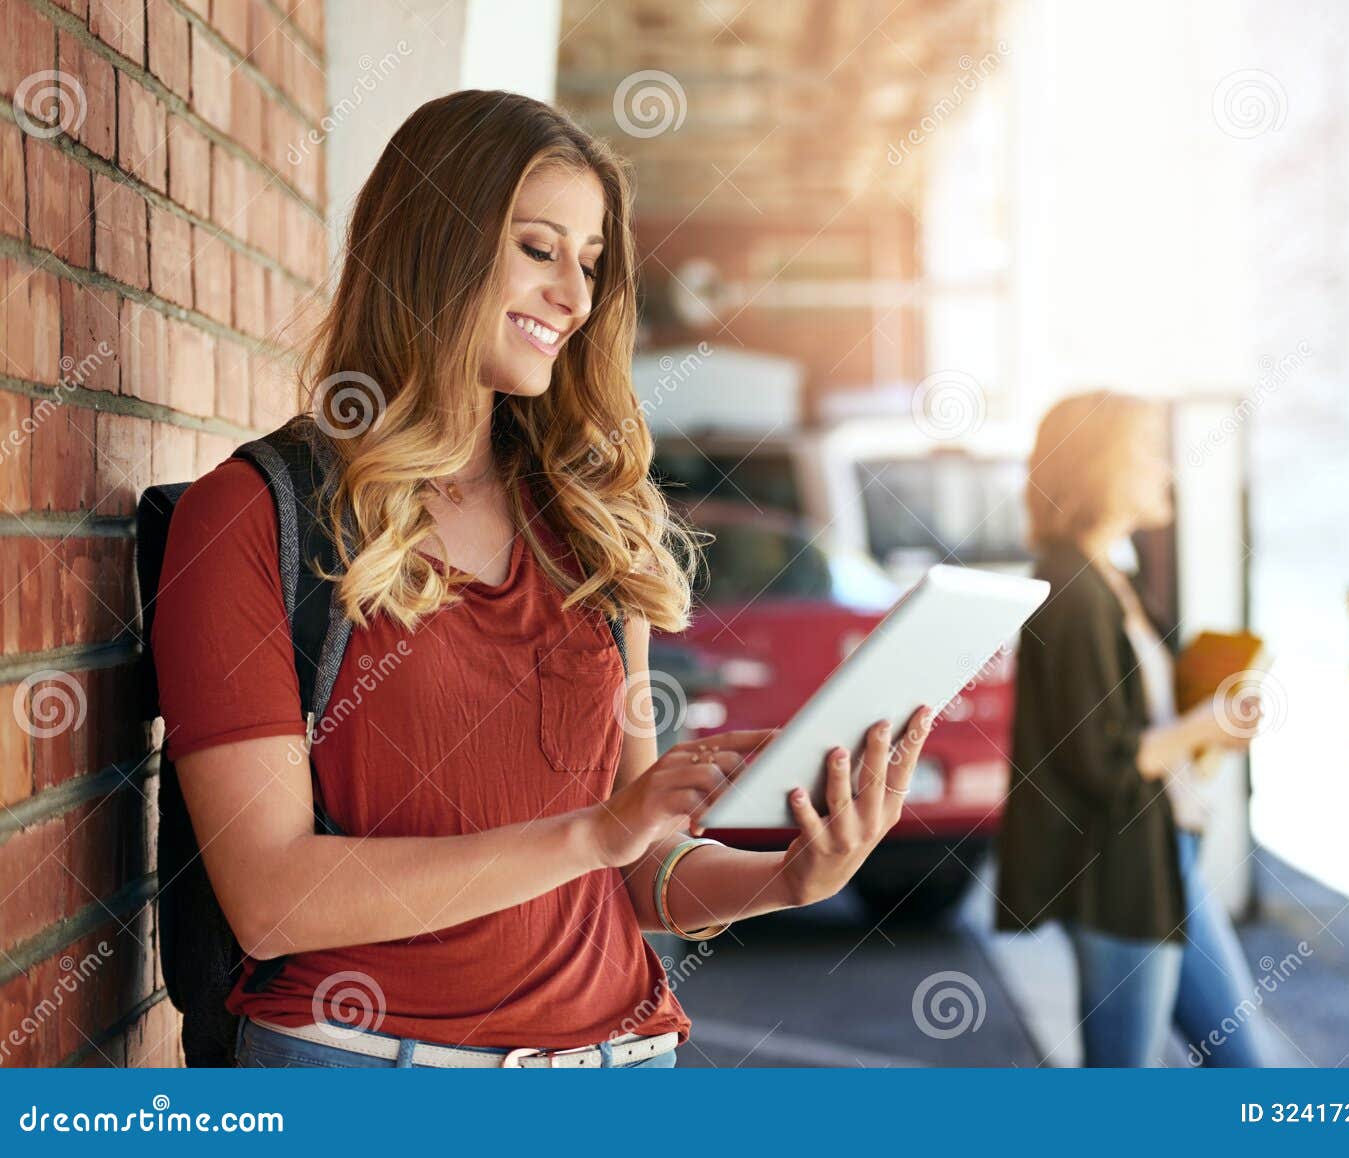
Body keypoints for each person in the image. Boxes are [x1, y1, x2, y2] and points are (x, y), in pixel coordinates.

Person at [152, 90, 933, 1069]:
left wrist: (785, 879)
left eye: (591, 261)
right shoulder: (255, 518)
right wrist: (592, 836)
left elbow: (636, 863)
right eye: (538, 248)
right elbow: (271, 901)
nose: (576, 293)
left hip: (623, 1065)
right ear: (432, 244)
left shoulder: (591, 528)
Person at [996, 391, 1274, 1067]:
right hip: (1116, 868)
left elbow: (1131, 722)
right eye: (1146, 453)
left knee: (1244, 1066)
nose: (1163, 470)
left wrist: (1202, 721)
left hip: (1160, 856)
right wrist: (1201, 724)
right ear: (1099, 468)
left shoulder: (1108, 577)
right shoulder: (1072, 588)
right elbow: (1101, 760)